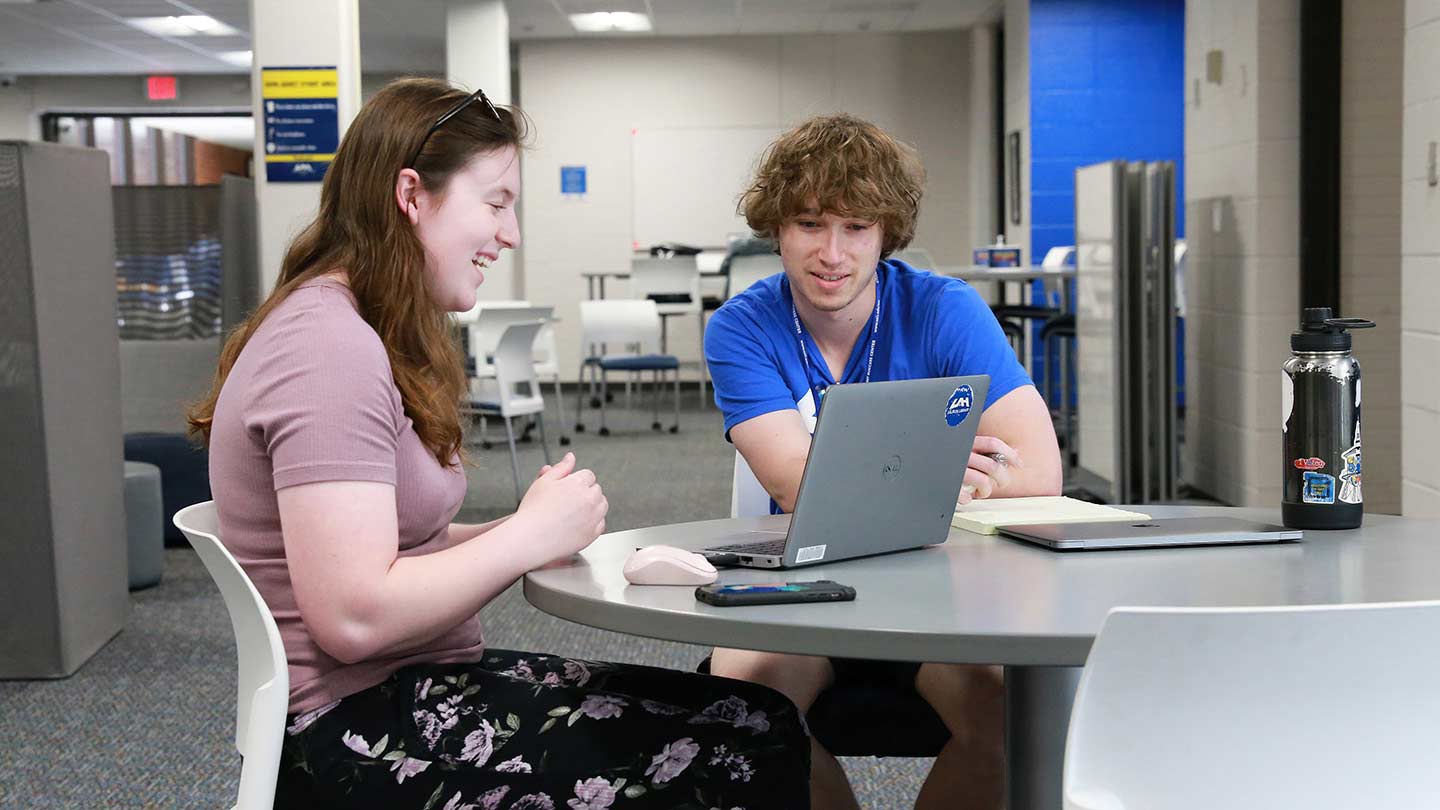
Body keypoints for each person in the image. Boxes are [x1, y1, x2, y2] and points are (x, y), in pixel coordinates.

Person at [187, 78, 808, 810]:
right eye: (497, 203)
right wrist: (523, 539)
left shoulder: (354, 329)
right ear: (412, 196)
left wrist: (516, 530)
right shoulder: (327, 349)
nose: (510, 234)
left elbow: (388, 545)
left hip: (412, 693)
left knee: (754, 716)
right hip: (354, 730)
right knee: (747, 744)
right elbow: (354, 616)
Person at [702, 113, 1063, 810]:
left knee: (1015, 715)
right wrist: (940, 470)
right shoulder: (741, 329)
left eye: (856, 227)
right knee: (744, 710)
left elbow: (1037, 468)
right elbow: (796, 481)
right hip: (807, 587)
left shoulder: (943, 309)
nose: (832, 253)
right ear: (776, 227)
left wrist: (884, 479)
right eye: (810, 224)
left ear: (886, 233)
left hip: (945, 587)